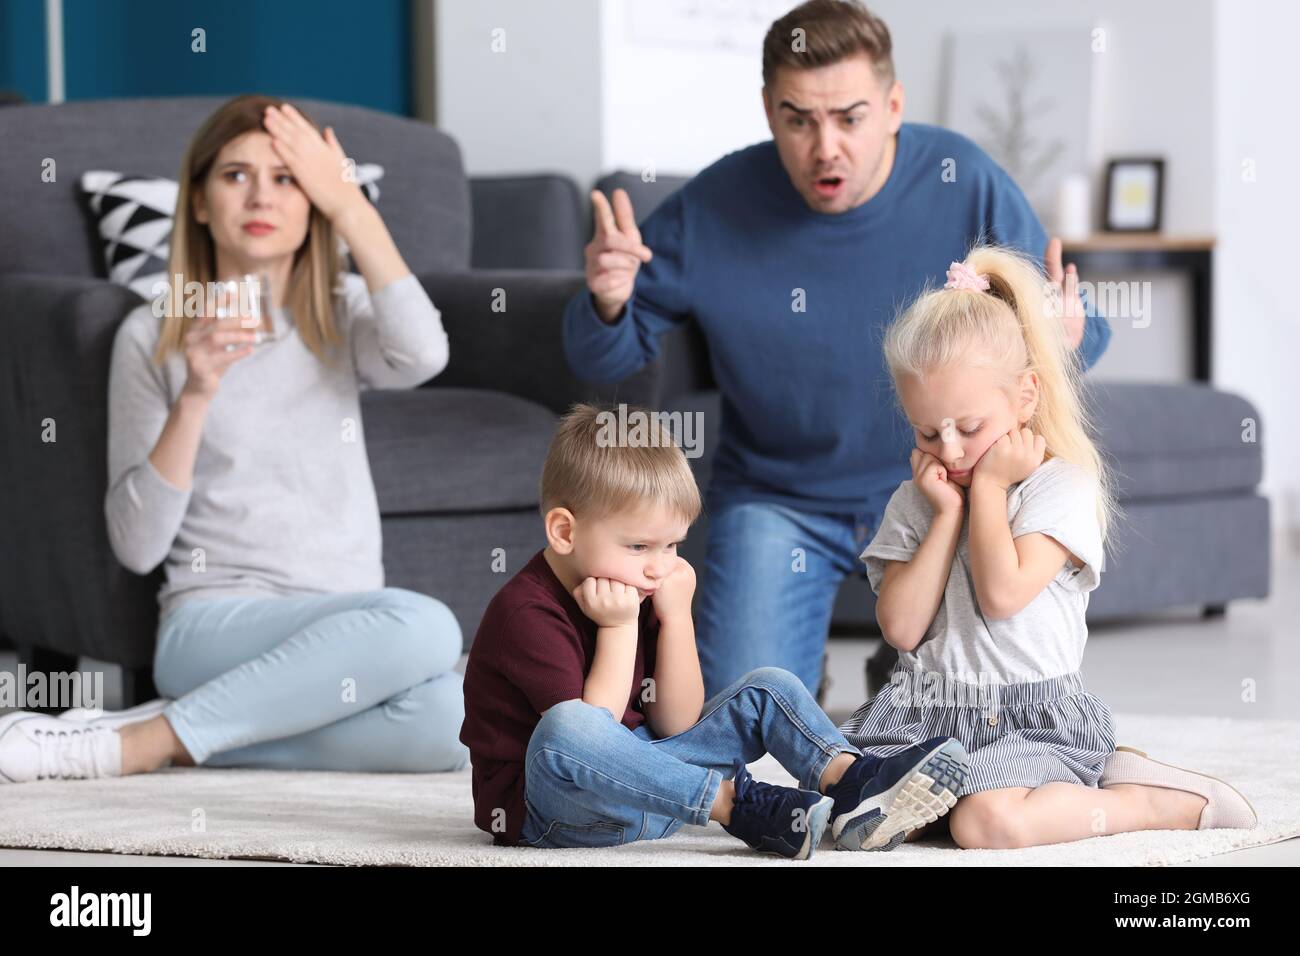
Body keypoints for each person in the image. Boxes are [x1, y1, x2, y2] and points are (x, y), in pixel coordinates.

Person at [562, 0, 1113, 699]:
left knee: (971, 695)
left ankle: (909, 668)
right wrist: (608, 300)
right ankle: (822, 668)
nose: (826, 147)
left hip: (948, 487)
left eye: (850, 117)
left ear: (892, 105)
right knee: (748, 708)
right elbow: (601, 366)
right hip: (781, 498)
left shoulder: (963, 177)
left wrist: (1065, 337)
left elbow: (1063, 342)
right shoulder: (714, 205)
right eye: (800, 119)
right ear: (768, 111)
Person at [0, 94, 467, 782]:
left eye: (286, 179)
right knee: (429, 628)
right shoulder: (151, 332)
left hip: (337, 622)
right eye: (234, 174)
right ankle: (163, 734)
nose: (261, 196)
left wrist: (350, 206)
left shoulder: (342, 319)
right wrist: (197, 391)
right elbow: (138, 546)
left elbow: (425, 355)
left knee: (454, 723)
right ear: (196, 202)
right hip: (211, 626)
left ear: (313, 202)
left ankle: (153, 735)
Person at [839, 247, 1257, 849]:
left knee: (985, 823)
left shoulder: (1059, 488)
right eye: (928, 432)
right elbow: (902, 630)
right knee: (847, 798)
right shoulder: (920, 499)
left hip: (1032, 721)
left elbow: (1003, 594)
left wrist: (987, 490)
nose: (951, 451)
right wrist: (944, 516)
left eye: (970, 427)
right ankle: (984, 794)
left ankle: (1137, 802)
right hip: (923, 712)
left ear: (1025, 397)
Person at [458, 403, 971, 857]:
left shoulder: (642, 584)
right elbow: (593, 734)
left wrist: (677, 617)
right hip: (562, 811)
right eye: (639, 546)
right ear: (565, 531)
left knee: (769, 685)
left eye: (672, 546)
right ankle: (736, 805)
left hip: (656, 787)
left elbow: (677, 723)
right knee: (566, 725)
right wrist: (619, 628)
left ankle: (851, 783)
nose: (660, 567)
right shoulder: (526, 612)